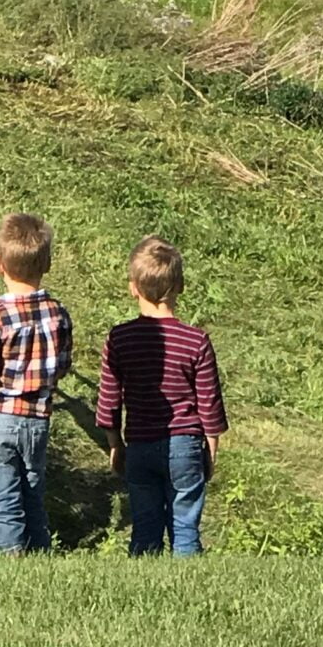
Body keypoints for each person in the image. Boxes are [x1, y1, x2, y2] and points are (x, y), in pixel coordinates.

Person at [95, 237, 227, 557]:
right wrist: (210, 451)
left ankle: (142, 588)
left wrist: (115, 444)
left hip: (139, 444)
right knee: (185, 526)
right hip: (185, 445)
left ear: (133, 287)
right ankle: (188, 585)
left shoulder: (120, 338)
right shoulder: (196, 341)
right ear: (180, 285)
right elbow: (209, 403)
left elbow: (109, 399)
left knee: (144, 526)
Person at [0, 212, 72, 555]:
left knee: (4, 503)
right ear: (48, 263)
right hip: (37, 418)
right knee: (32, 498)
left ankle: (6, 569)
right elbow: (62, 366)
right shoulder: (57, 313)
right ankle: (39, 560)